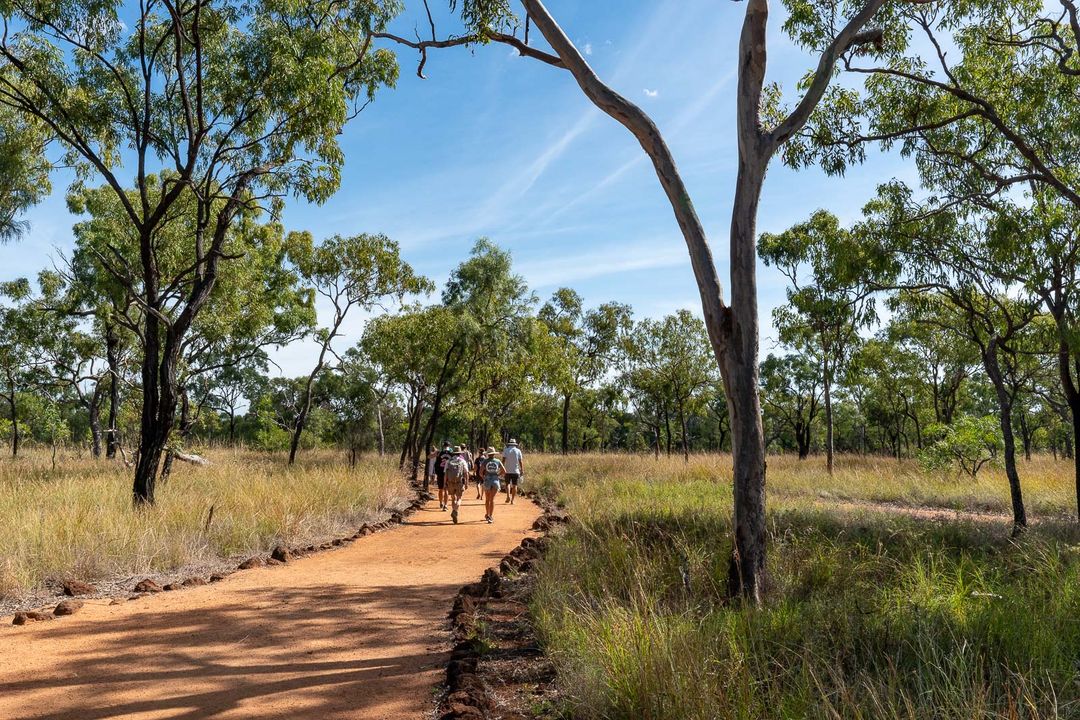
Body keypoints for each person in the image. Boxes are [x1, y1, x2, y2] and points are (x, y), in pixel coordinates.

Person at [444, 446, 470, 524]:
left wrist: (445, 483)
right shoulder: (462, 461)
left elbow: (445, 473)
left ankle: (453, 510)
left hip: (450, 482)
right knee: (459, 498)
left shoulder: (448, 461)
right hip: (459, 482)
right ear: (460, 453)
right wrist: (466, 483)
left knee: (452, 498)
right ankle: (455, 511)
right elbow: (466, 473)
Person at [481, 447, 505, 524]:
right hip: (495, 480)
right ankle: (490, 516)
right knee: (492, 499)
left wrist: (484, 477)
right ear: (494, 454)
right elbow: (504, 471)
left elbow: (480, 472)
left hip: (487, 480)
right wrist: (497, 475)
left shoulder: (485, 461)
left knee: (487, 499)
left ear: (488, 454)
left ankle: (487, 514)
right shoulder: (497, 461)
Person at [502, 439, 524, 505]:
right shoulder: (518, 451)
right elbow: (520, 461)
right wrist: (522, 469)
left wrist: (502, 468)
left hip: (507, 470)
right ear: (515, 444)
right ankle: (512, 500)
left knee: (507, 484)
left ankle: (508, 496)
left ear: (509, 444)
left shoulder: (506, 450)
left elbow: (503, 460)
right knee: (515, 485)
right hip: (516, 471)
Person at [434, 442, 452, 511]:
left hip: (440, 473)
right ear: (449, 446)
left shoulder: (439, 453)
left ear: (443, 446)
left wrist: (437, 473)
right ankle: (446, 505)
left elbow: (436, 464)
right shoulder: (451, 454)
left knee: (440, 489)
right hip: (448, 473)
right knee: (446, 489)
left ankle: (441, 503)